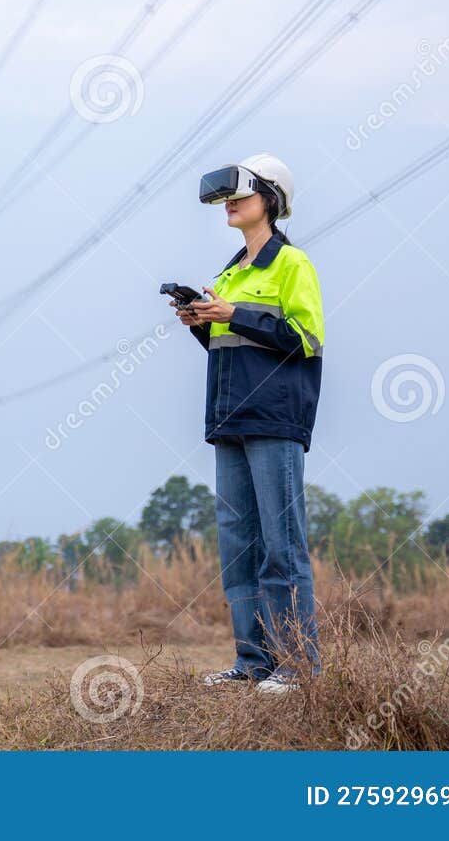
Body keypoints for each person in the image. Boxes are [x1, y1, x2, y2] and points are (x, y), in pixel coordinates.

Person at [172, 153, 324, 694]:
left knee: (282, 544)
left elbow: (304, 339)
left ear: (272, 201)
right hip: (229, 420)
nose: (231, 205)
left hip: (276, 420)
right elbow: (227, 348)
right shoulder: (229, 273)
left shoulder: (292, 265)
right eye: (227, 199)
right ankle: (253, 662)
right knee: (238, 545)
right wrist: (200, 321)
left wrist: (233, 314)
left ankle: (298, 667)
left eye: (242, 195)